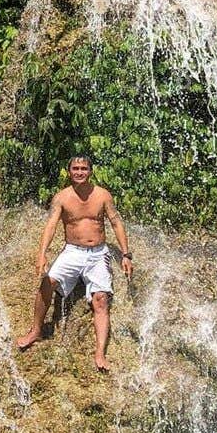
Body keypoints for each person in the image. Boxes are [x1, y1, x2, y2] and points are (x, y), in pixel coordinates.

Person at [15, 153, 133, 373]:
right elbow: (51, 225)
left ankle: (100, 352)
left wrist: (126, 254)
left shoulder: (102, 195)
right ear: (69, 172)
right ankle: (36, 330)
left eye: (84, 169)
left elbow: (116, 222)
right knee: (47, 281)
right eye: (76, 169)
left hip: (98, 253)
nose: (80, 172)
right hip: (72, 251)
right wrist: (42, 254)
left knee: (101, 299)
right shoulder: (62, 197)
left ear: (91, 171)